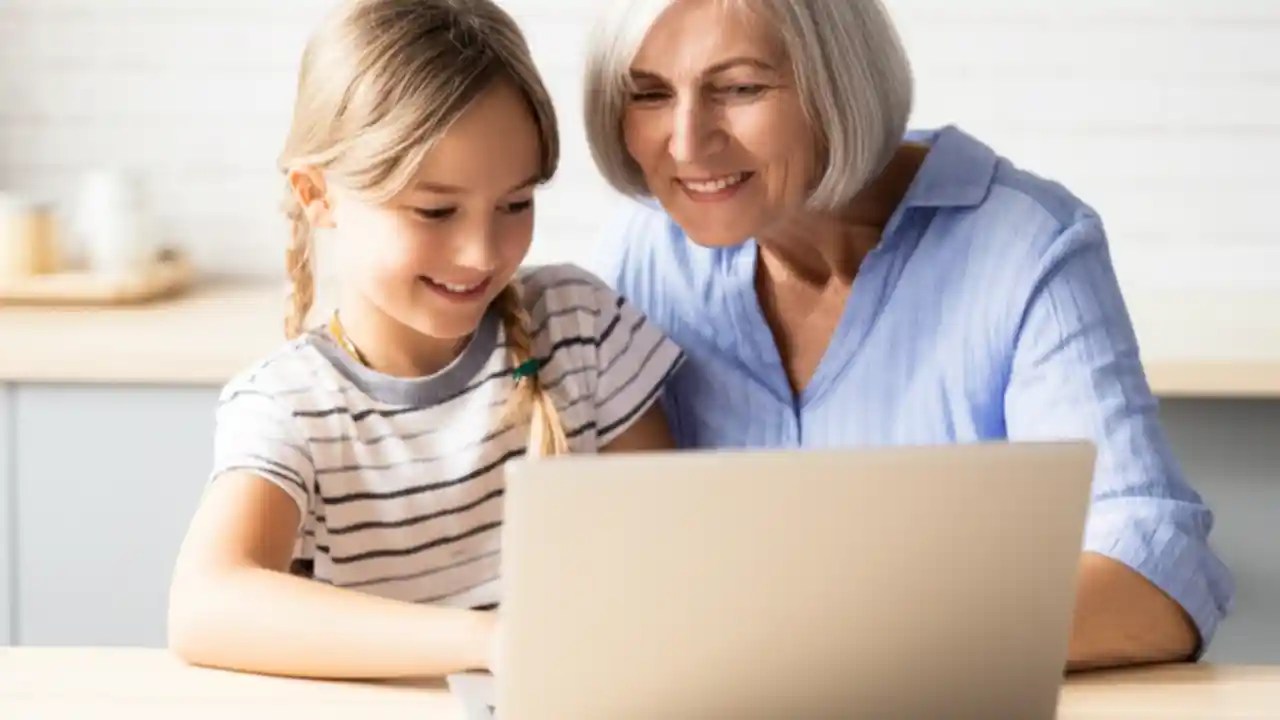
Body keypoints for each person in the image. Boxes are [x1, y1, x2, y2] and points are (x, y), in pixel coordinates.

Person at [583, 0, 1233, 670]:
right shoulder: (643, 258)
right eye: (650, 94)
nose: (686, 143)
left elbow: (1156, 580)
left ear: (839, 79)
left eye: (741, 88)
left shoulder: (1025, 246)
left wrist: (841, 644)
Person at [167, 0, 682, 679]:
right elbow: (207, 604)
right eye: (435, 211)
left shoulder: (579, 327)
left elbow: (675, 554)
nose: (480, 252)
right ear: (317, 194)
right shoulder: (289, 405)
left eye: (515, 204)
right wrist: (491, 642)